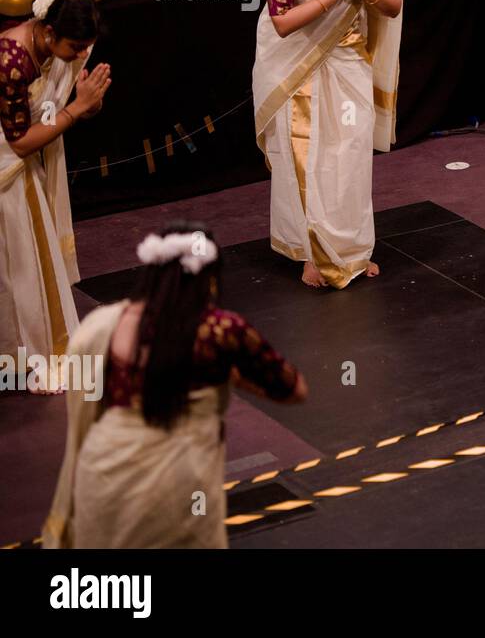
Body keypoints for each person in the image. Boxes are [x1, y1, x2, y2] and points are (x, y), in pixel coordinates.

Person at [43, 224, 307, 548]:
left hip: (103, 475)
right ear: (209, 277)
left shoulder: (101, 325)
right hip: (178, 485)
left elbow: (84, 404)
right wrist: (234, 377)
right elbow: (293, 388)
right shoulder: (219, 329)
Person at [252, 0, 405, 288]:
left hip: (349, 63)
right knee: (307, 159)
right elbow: (282, 23)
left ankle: (352, 251)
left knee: (349, 159)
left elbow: (392, 6)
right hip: (297, 66)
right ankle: (311, 254)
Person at [0, 0, 109, 392]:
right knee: (23, 265)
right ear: (47, 32)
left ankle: (18, 356)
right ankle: (28, 356)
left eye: (88, 45)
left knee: (22, 262)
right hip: (7, 161)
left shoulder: (53, 48)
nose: (82, 54)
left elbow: (55, 111)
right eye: (76, 46)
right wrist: (75, 109)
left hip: (15, 164)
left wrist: (86, 103)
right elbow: (21, 141)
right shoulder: (11, 60)